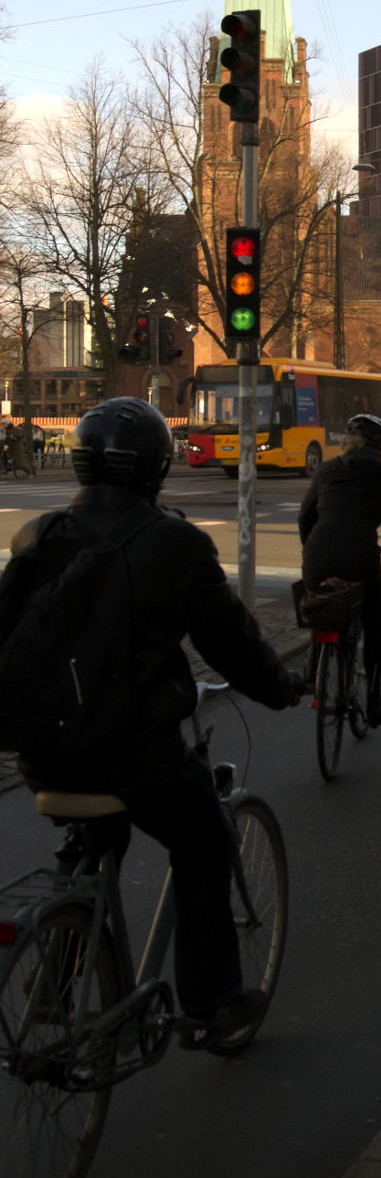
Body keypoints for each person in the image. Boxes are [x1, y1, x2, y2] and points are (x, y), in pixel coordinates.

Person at [0, 397, 301, 1046]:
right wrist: (281, 689)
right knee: (204, 842)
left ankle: (61, 976)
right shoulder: (172, 542)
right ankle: (211, 1002)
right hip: (132, 755)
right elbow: (233, 645)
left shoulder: (38, 534)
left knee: (93, 836)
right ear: (155, 469)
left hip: (43, 752)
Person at [299, 412, 381, 728]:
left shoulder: (326, 470)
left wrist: (311, 551)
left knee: (317, 600)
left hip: (318, 554)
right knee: (372, 623)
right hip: (360, 559)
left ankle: (314, 665)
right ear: (380, 445)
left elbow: (305, 517)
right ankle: (374, 697)